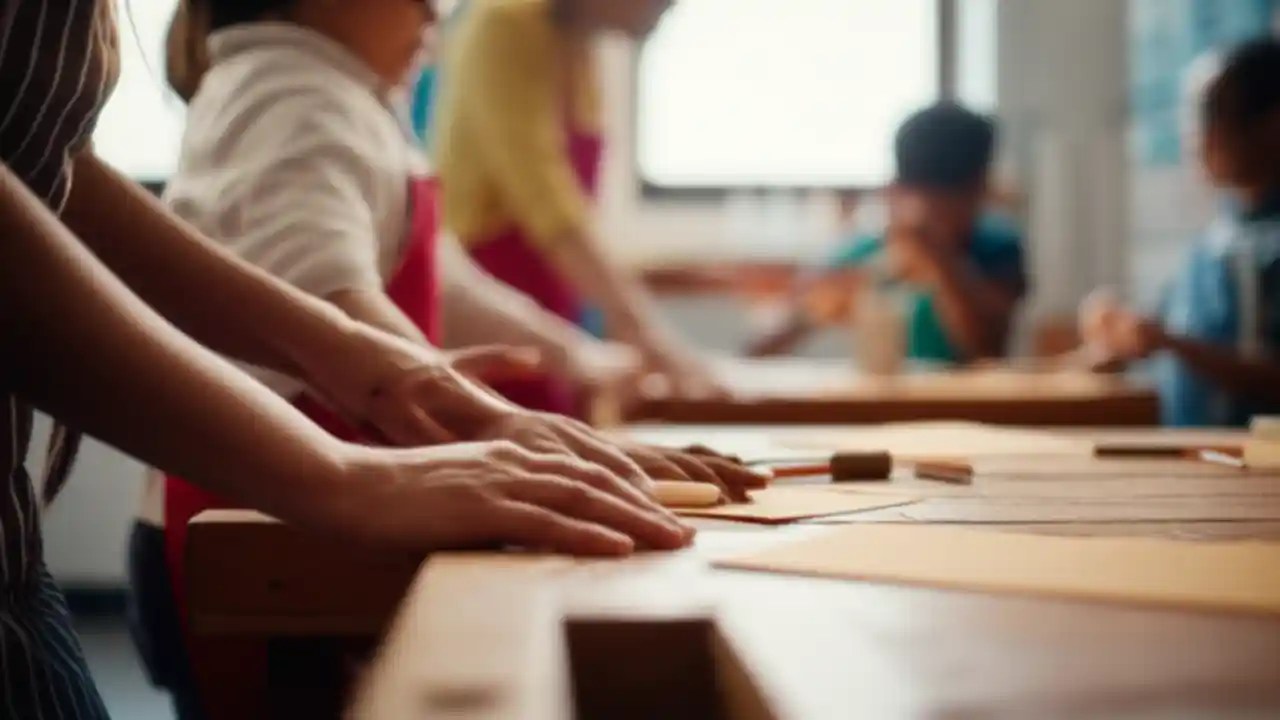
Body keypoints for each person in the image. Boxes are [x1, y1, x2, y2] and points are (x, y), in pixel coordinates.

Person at [0, 0, 731, 715]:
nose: (434, 17)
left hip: (297, 518)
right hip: (255, 531)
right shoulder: (291, 95)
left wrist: (568, 360)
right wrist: (437, 408)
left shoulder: (348, 98)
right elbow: (328, 283)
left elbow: (441, 277)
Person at [434, 0, 726, 415]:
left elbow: (577, 219)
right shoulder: (504, 24)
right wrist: (650, 336)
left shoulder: (581, 45)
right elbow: (550, 205)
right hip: (497, 319)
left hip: (557, 314)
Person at [1078, 38, 1280, 427]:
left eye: (1212, 117)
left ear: (1272, 126)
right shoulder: (1213, 243)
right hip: (1199, 463)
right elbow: (1164, 337)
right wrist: (1122, 336)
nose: (1195, 139)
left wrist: (1167, 342)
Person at [747, 103, 1027, 365]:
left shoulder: (997, 248)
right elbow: (762, 347)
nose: (938, 222)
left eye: (950, 206)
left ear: (980, 193)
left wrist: (939, 259)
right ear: (893, 192)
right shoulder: (862, 256)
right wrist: (808, 308)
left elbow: (987, 350)